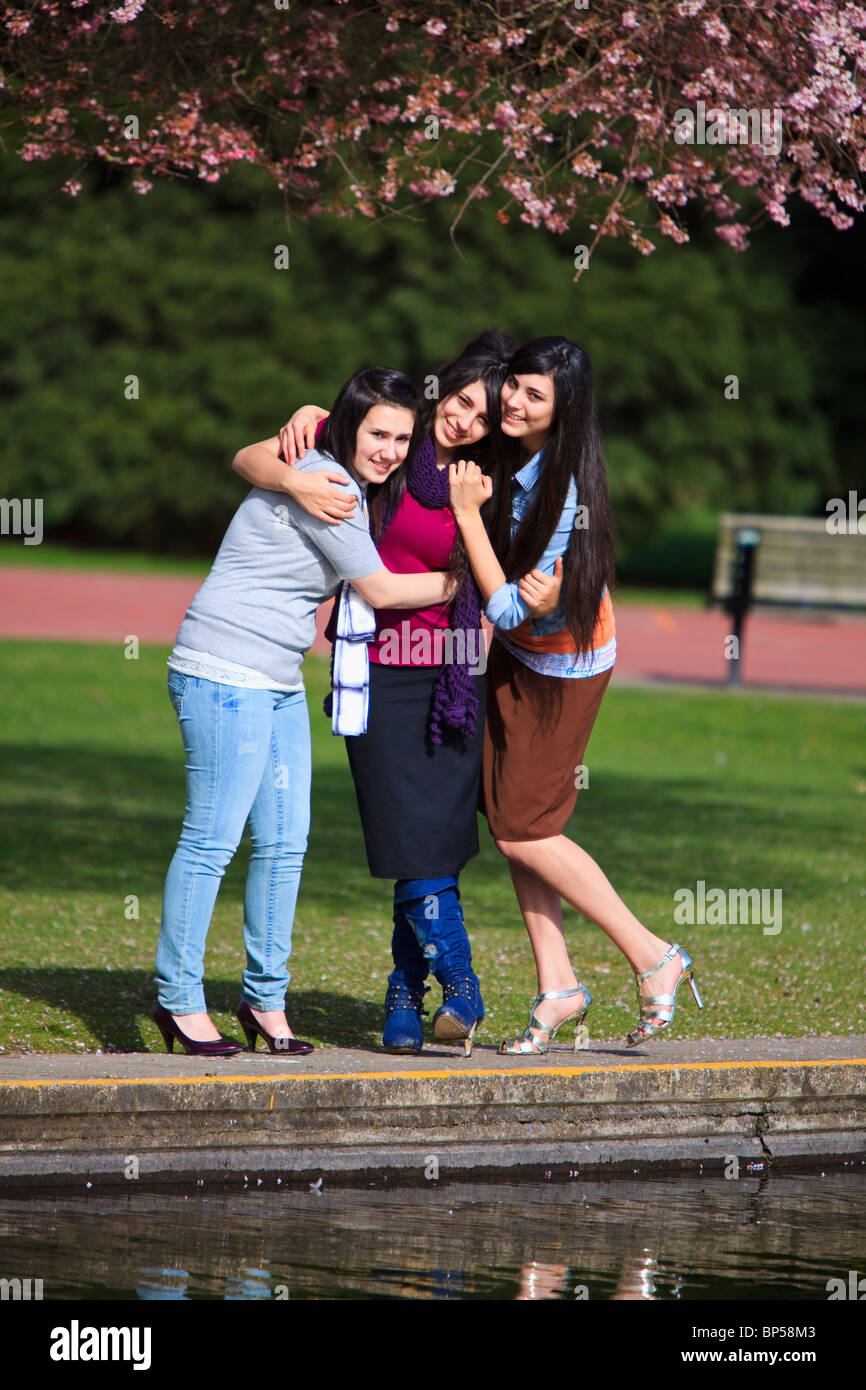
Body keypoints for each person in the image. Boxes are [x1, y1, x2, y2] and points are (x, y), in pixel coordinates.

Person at [233, 332, 562, 1056]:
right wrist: (294, 462)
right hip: (379, 672)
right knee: (406, 836)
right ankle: (464, 985)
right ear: (441, 385)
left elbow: (512, 591)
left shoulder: (496, 483)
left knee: (433, 846)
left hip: (455, 674)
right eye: (463, 400)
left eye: (486, 414)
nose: (467, 421)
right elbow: (248, 458)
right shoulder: (386, 438)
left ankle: (404, 998)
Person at [153, 368, 457, 1057]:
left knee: (286, 843)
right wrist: (465, 580)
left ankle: (265, 999)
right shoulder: (335, 485)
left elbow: (253, 455)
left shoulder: (325, 461)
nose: (388, 450)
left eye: (402, 439)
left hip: (278, 676)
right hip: (223, 669)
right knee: (212, 840)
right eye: (378, 433)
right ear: (350, 428)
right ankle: (177, 999)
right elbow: (378, 588)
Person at [448, 336, 704, 1054]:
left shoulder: (565, 494)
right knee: (513, 821)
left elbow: (505, 611)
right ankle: (558, 986)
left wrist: (469, 516)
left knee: (523, 828)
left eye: (535, 394)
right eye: (516, 386)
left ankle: (655, 957)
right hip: (522, 654)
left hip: (565, 664)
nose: (513, 401)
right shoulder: (506, 453)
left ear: (565, 413)